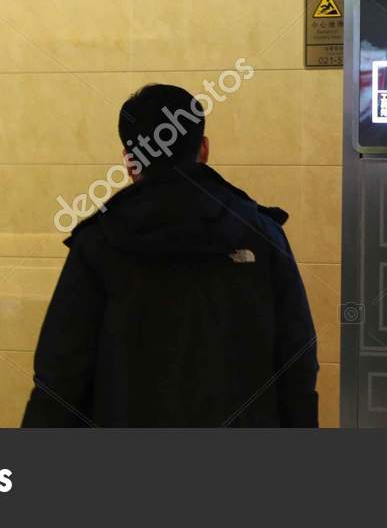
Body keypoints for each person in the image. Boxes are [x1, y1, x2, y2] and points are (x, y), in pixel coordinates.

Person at [21, 83, 319, 427]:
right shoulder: (260, 235)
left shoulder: (98, 242)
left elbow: (60, 373)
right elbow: (297, 361)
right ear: (203, 149)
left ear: (129, 160)